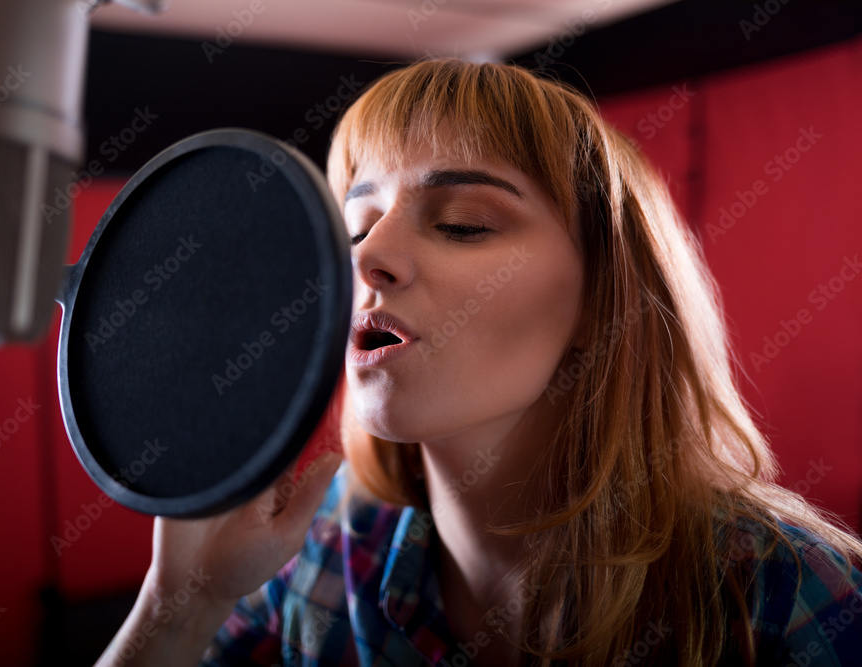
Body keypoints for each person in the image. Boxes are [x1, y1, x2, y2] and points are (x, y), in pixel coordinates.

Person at [95, 58, 862, 666]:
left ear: (605, 301)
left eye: (462, 224)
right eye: (354, 226)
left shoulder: (784, 597)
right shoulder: (321, 556)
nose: (371, 258)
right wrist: (179, 605)